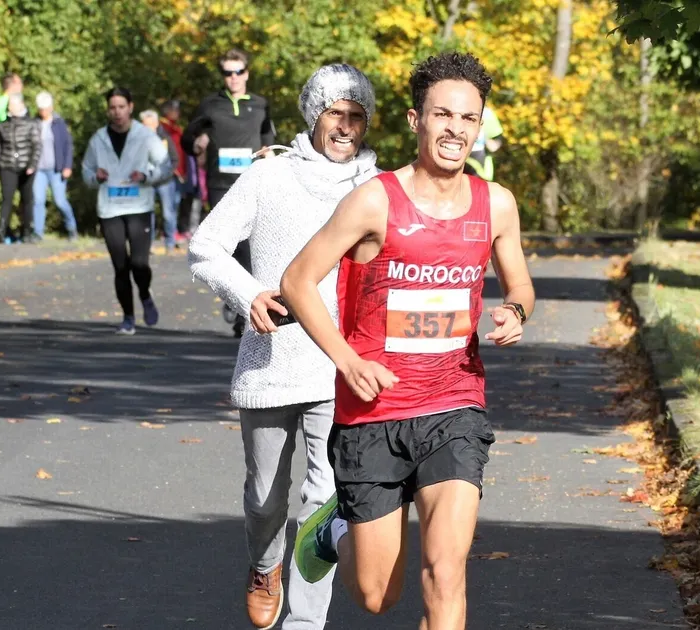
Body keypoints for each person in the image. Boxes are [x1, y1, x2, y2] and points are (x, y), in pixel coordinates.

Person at [282, 52, 535, 630]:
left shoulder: (495, 204)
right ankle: (336, 526)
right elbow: (297, 280)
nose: (455, 129)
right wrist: (346, 360)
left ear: (480, 125)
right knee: (377, 596)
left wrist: (516, 309)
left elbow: (518, 281)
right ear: (415, 119)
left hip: (454, 405)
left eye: (468, 119)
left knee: (446, 573)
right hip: (373, 413)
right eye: (442, 115)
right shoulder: (375, 200)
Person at [188, 63, 379, 630]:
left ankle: (304, 622)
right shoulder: (268, 177)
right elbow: (207, 246)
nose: (346, 126)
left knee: (324, 499)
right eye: (335, 113)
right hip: (271, 359)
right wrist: (248, 293)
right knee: (266, 499)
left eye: (357, 116)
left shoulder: (377, 188)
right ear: (313, 115)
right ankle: (264, 564)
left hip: (339, 366)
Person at [182, 48, 276, 336]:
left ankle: (242, 311)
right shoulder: (210, 105)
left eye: (238, 72)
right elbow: (187, 139)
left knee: (250, 248)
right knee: (229, 247)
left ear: (246, 73)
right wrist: (196, 145)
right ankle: (238, 302)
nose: (233, 78)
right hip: (220, 183)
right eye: (227, 72)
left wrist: (269, 156)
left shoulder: (260, 105)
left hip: (252, 181)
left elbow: (269, 139)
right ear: (223, 75)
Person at [81, 88, 172, 335]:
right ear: (108, 110)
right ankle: (128, 317)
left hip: (139, 206)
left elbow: (166, 168)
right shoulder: (99, 138)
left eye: (122, 106)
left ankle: (144, 293)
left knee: (139, 263)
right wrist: (95, 177)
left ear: (130, 107)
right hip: (109, 208)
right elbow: (86, 170)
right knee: (120, 266)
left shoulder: (145, 136)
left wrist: (146, 176)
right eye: (113, 107)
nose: (117, 112)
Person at [0, 93, 40, 244]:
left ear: (21, 105)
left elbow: (37, 146)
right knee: (7, 198)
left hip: (26, 167)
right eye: (9, 105)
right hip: (7, 166)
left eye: (13, 104)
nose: (10, 107)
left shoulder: (31, 124)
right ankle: (2, 229)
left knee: (27, 199)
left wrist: (32, 165)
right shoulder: (3, 126)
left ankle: (27, 231)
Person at [31, 91, 78, 241]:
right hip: (39, 169)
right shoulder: (34, 123)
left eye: (45, 109)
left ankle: (72, 228)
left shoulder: (59, 123)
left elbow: (67, 145)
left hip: (56, 168)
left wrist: (67, 166)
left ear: (51, 107)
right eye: (41, 109)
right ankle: (38, 233)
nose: (43, 112)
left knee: (60, 201)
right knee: (38, 200)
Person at [140, 109, 181, 251]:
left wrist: (167, 173)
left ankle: (170, 243)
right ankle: (148, 244)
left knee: (168, 214)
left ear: (156, 124)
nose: (148, 128)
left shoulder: (165, 138)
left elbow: (175, 158)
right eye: (145, 125)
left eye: (150, 125)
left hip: (165, 182)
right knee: (147, 215)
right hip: (146, 182)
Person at [159, 99, 191, 246]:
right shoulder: (162, 128)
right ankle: (169, 239)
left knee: (175, 206)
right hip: (168, 173)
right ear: (167, 111)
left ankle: (173, 235)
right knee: (168, 208)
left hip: (180, 173)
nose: (178, 113)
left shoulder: (176, 128)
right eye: (175, 110)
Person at [463, 104, 503, 181]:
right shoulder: (454, 106)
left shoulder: (487, 113)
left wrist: (488, 142)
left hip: (478, 156)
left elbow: (497, 140)